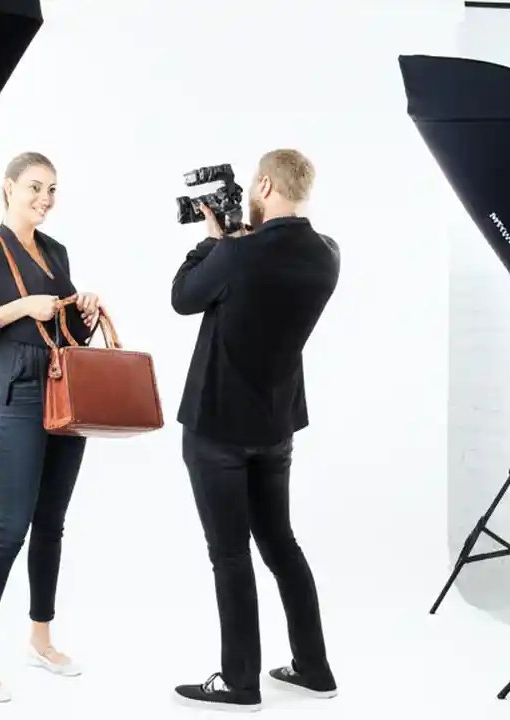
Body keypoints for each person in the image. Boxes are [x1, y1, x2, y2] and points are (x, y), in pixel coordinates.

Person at [170, 149, 341, 712]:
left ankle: (239, 682)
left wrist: (216, 236)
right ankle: (313, 668)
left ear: (265, 183)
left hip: (218, 426)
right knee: (281, 544)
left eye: (251, 186)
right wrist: (233, 242)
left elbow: (183, 296)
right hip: (276, 426)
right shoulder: (328, 256)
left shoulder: (237, 255)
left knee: (230, 555)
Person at [0, 151, 102, 703]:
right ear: (8, 187)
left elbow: (72, 333)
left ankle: (41, 637)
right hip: (19, 400)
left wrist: (84, 305)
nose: (45, 198)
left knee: (51, 523)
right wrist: (17, 308)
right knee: (10, 528)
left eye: (53, 189)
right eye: (36, 186)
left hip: (65, 399)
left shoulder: (55, 251)